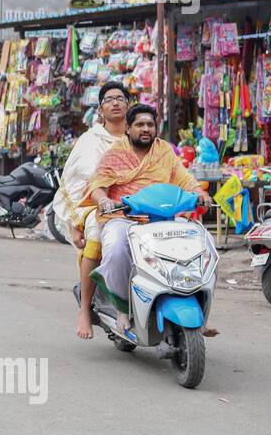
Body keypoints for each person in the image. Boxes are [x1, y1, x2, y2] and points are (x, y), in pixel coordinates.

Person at [85, 104, 215, 339]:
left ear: (156, 128)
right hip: (124, 218)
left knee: (200, 244)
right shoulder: (115, 154)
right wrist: (104, 200)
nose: (145, 129)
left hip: (163, 218)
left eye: (149, 125)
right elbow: (97, 186)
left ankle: (193, 302)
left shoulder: (164, 151)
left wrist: (200, 194)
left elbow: (184, 179)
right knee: (116, 248)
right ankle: (123, 307)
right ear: (128, 128)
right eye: (139, 125)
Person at [56, 82, 129, 339]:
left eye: (120, 98)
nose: (116, 103)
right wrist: (75, 224)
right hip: (96, 206)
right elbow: (73, 183)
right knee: (96, 236)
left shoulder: (142, 135)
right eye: (109, 99)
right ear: (100, 109)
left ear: (128, 105)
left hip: (139, 206)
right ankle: (85, 309)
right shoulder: (90, 141)